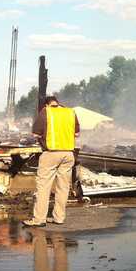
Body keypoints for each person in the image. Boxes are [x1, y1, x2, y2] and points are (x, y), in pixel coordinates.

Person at [23, 96, 80, 227]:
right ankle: (59, 218)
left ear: (47, 104)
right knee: (63, 187)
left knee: (43, 187)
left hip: (51, 154)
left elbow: (35, 134)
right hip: (68, 154)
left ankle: (39, 219)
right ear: (57, 103)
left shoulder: (46, 112)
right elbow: (76, 134)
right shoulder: (70, 112)